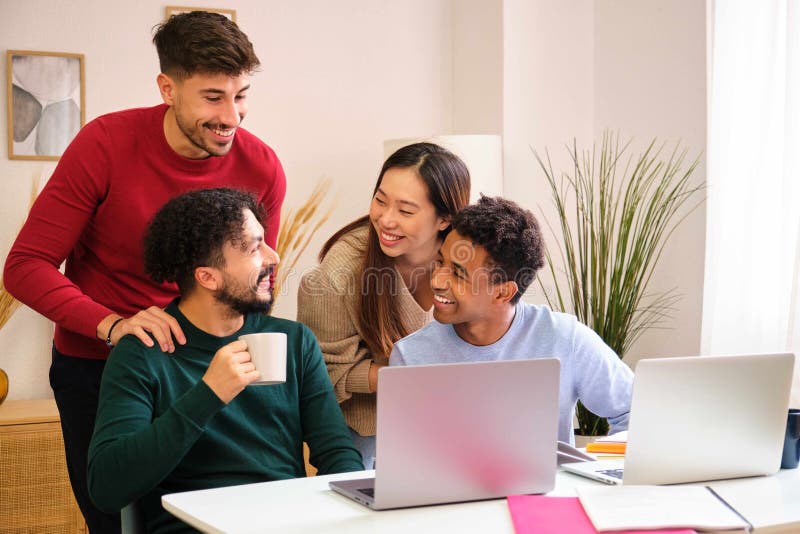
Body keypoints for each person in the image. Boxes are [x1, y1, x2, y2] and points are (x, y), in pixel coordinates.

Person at [3, 12, 286, 533]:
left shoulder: (262, 166)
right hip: (100, 367)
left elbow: (255, 279)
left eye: (241, 95)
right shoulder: (104, 144)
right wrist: (113, 324)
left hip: (205, 369)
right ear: (167, 89)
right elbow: (25, 266)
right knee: (113, 520)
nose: (232, 116)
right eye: (213, 97)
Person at [87, 188, 361, 533]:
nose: (274, 257)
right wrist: (208, 394)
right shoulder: (143, 353)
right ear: (208, 277)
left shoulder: (294, 341)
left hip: (288, 523)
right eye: (254, 248)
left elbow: (336, 453)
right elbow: (106, 487)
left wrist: (356, 516)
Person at [389, 196, 633, 443]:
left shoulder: (565, 339)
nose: (436, 281)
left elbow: (635, 414)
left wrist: (594, 463)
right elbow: (401, 454)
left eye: (458, 274)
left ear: (502, 292)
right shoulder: (410, 357)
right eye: (440, 261)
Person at [297, 143, 470, 468]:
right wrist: (411, 374)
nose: (386, 220)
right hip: (367, 428)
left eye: (405, 211)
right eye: (380, 200)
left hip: (445, 414)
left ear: (444, 219)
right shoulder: (339, 274)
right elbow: (323, 374)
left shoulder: (469, 258)